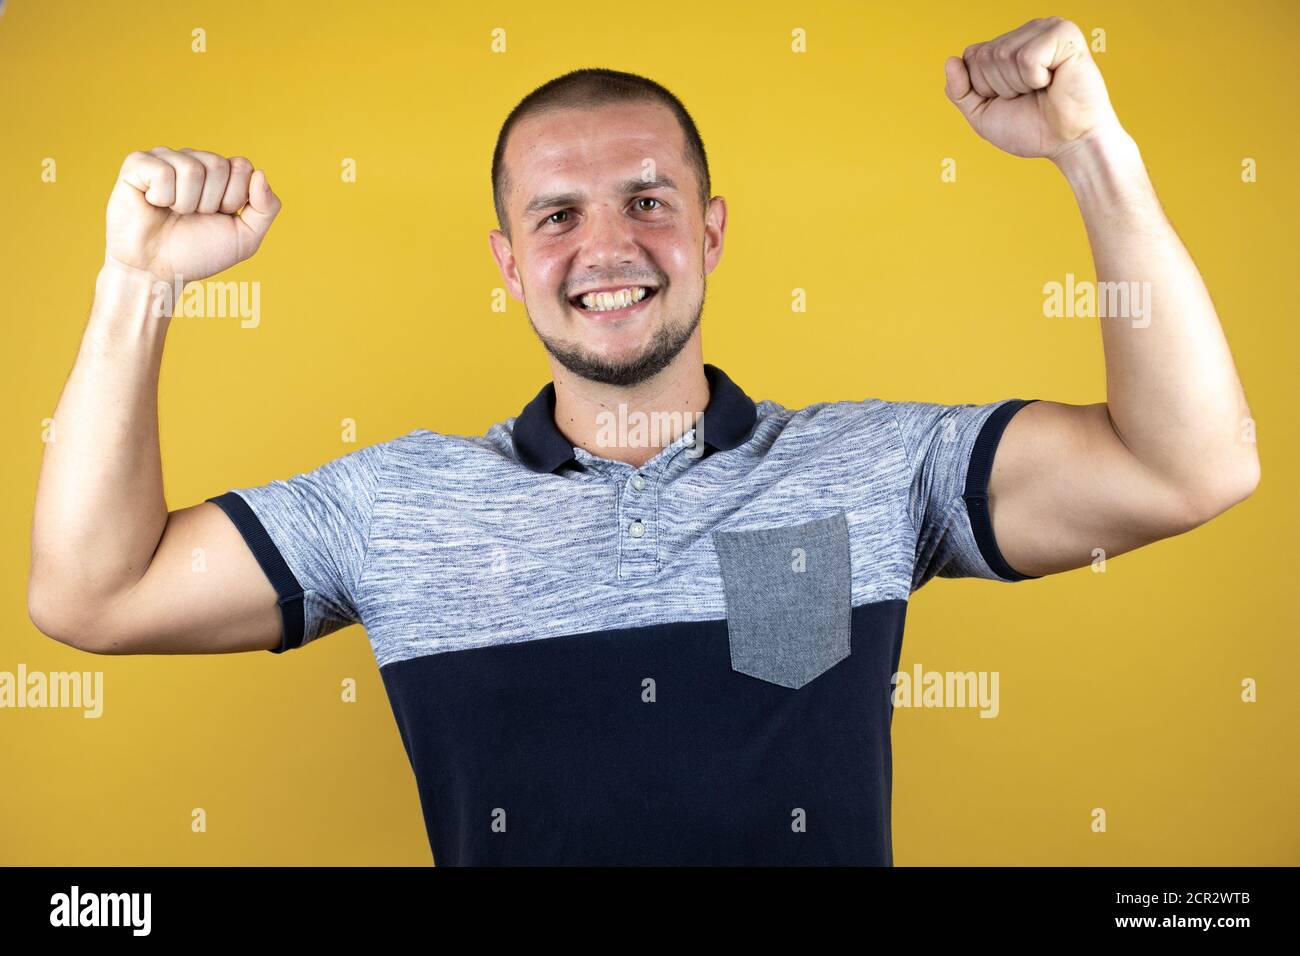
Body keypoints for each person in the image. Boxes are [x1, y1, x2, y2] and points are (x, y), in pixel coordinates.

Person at [27, 17, 1259, 865]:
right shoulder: (389, 508)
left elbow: (1189, 464)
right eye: (557, 215)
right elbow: (92, 587)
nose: (607, 249)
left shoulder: (869, 471)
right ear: (508, 263)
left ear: (710, 231)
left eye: (648, 202)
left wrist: (1095, 153)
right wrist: (137, 281)